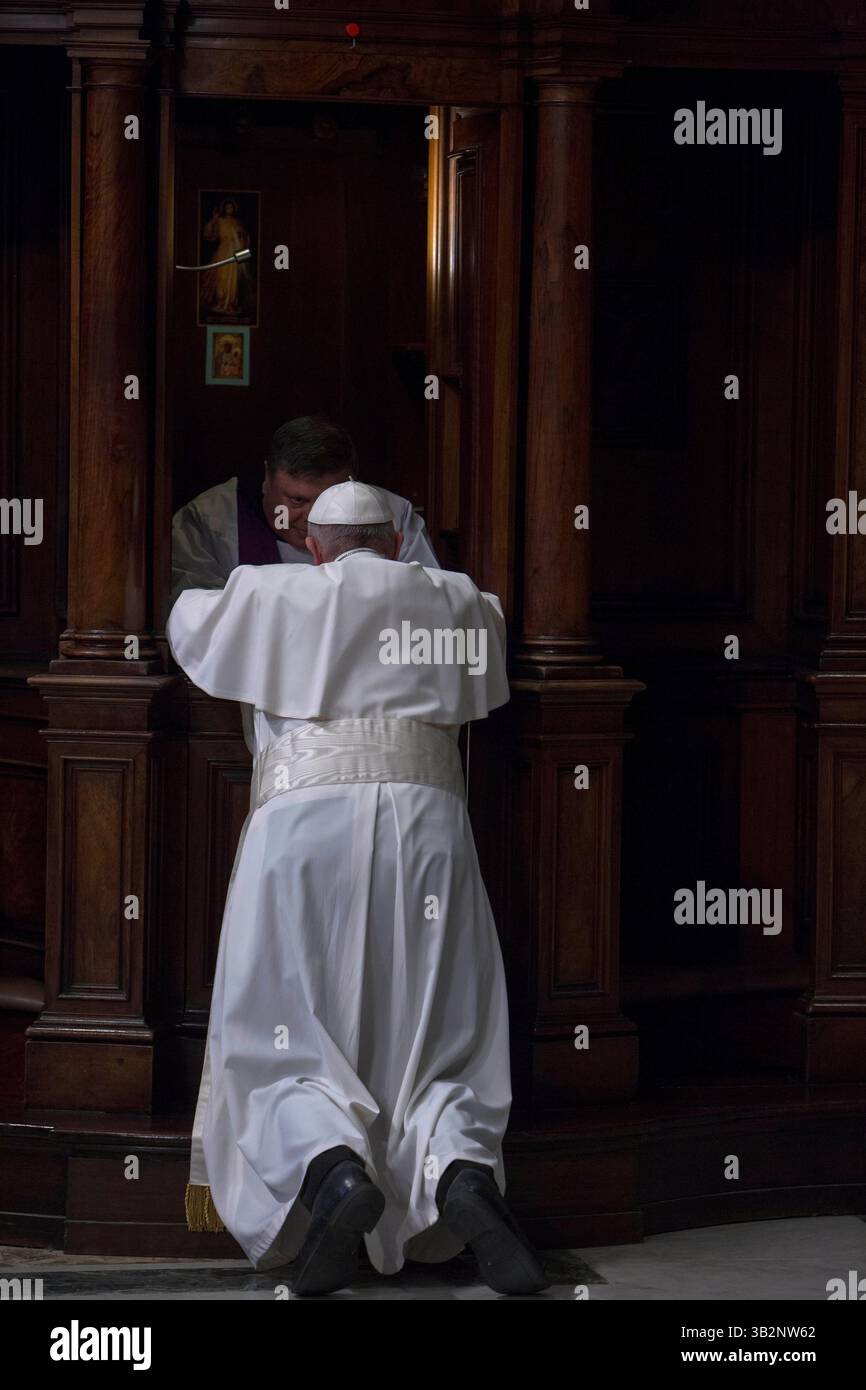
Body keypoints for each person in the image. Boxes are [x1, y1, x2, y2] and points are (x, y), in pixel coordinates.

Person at [166, 480, 548, 1296]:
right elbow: (490, 644)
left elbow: (184, 622)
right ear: (397, 542)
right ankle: (462, 1177)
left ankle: (333, 1171)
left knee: (280, 1030)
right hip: (428, 830)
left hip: (302, 832)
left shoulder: (270, 595)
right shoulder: (458, 604)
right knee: (441, 1036)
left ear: (312, 543)